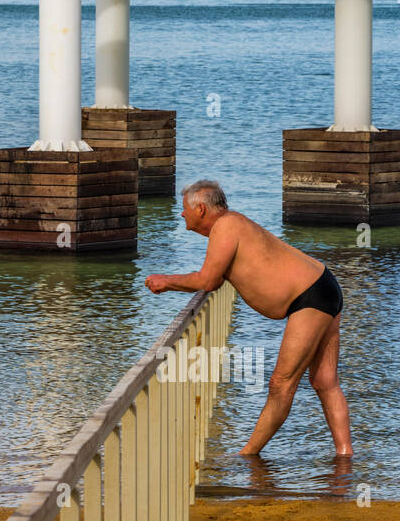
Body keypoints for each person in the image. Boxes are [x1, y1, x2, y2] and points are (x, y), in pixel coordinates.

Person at [145, 180, 352, 457]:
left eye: (185, 209)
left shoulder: (226, 226)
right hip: (322, 285)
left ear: (201, 209)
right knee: (324, 380)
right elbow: (215, 280)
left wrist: (166, 281)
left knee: (281, 383)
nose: (182, 214)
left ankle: (248, 454)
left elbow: (207, 280)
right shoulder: (230, 226)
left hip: (310, 295)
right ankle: (345, 455)